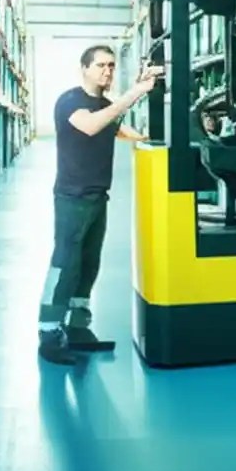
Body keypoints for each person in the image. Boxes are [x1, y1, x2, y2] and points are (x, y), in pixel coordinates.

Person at [38, 44, 162, 365]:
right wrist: (135, 92)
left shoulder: (104, 104)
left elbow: (117, 128)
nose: (107, 71)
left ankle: (78, 328)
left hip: (97, 197)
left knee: (89, 265)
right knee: (66, 264)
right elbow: (94, 124)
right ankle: (49, 335)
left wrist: (149, 139)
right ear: (85, 68)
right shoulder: (70, 101)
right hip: (72, 198)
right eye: (101, 66)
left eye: (111, 66)